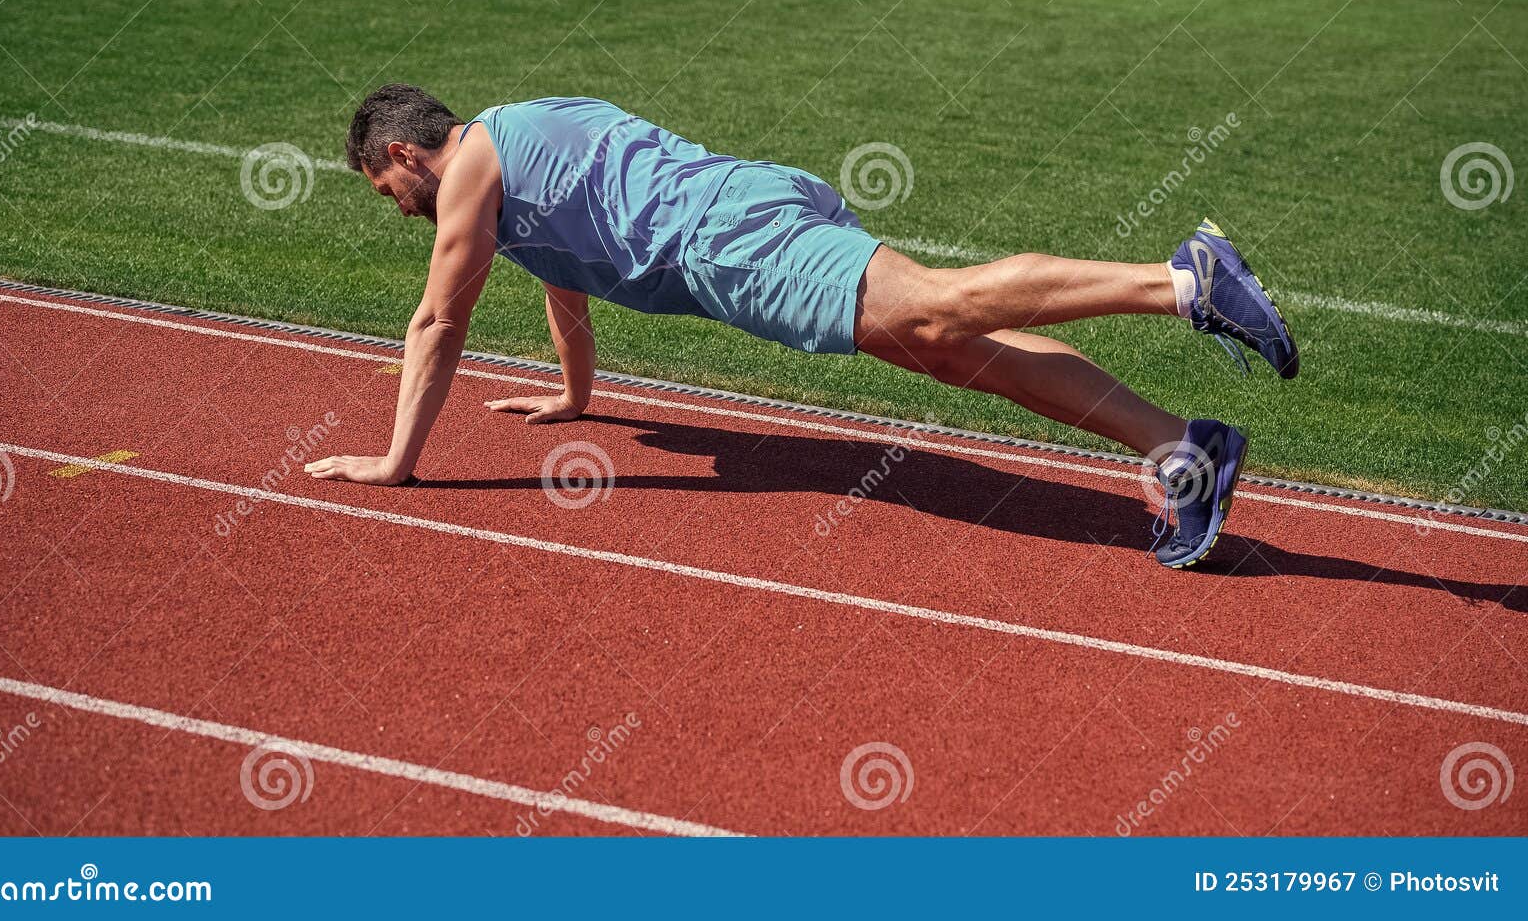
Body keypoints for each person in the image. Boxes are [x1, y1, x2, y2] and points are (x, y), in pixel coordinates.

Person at [305, 85, 1299, 568]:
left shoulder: (472, 169)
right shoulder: (515, 145)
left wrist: (395, 462)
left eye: (384, 186)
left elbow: (438, 318)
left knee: (940, 306)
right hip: (751, 206)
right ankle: (1183, 454)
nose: (394, 205)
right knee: (959, 355)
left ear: (402, 149)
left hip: (727, 244)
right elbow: (567, 276)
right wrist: (575, 394)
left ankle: (1180, 282)